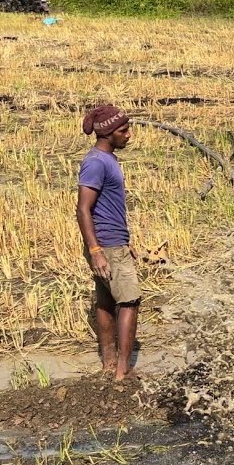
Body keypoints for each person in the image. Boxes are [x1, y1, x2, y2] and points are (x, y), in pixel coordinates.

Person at [75, 105, 140, 381]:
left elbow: (110, 207)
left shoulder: (107, 158)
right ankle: (123, 369)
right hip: (106, 245)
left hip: (113, 242)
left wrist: (127, 241)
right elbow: (83, 209)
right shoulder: (96, 162)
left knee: (105, 301)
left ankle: (109, 363)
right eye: (123, 131)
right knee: (129, 301)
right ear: (107, 134)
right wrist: (96, 250)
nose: (129, 135)